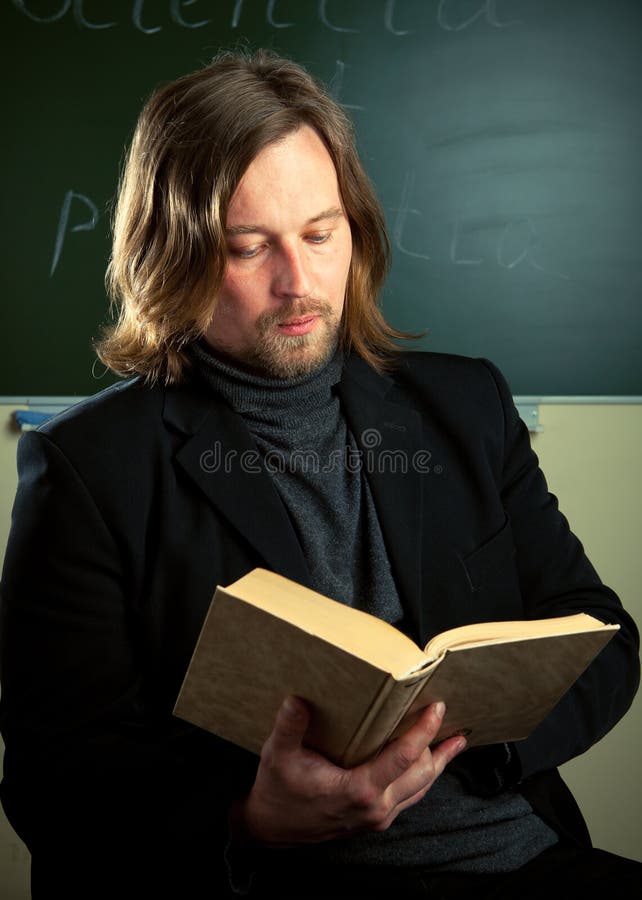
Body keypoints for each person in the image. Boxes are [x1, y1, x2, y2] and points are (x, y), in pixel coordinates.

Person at [0, 49, 639, 900]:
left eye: (320, 234)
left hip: (523, 859)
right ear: (174, 256)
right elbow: (51, 781)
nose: (298, 283)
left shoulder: (467, 405)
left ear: (355, 232)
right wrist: (249, 818)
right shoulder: (88, 468)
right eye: (248, 247)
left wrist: (472, 743)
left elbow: (604, 637)